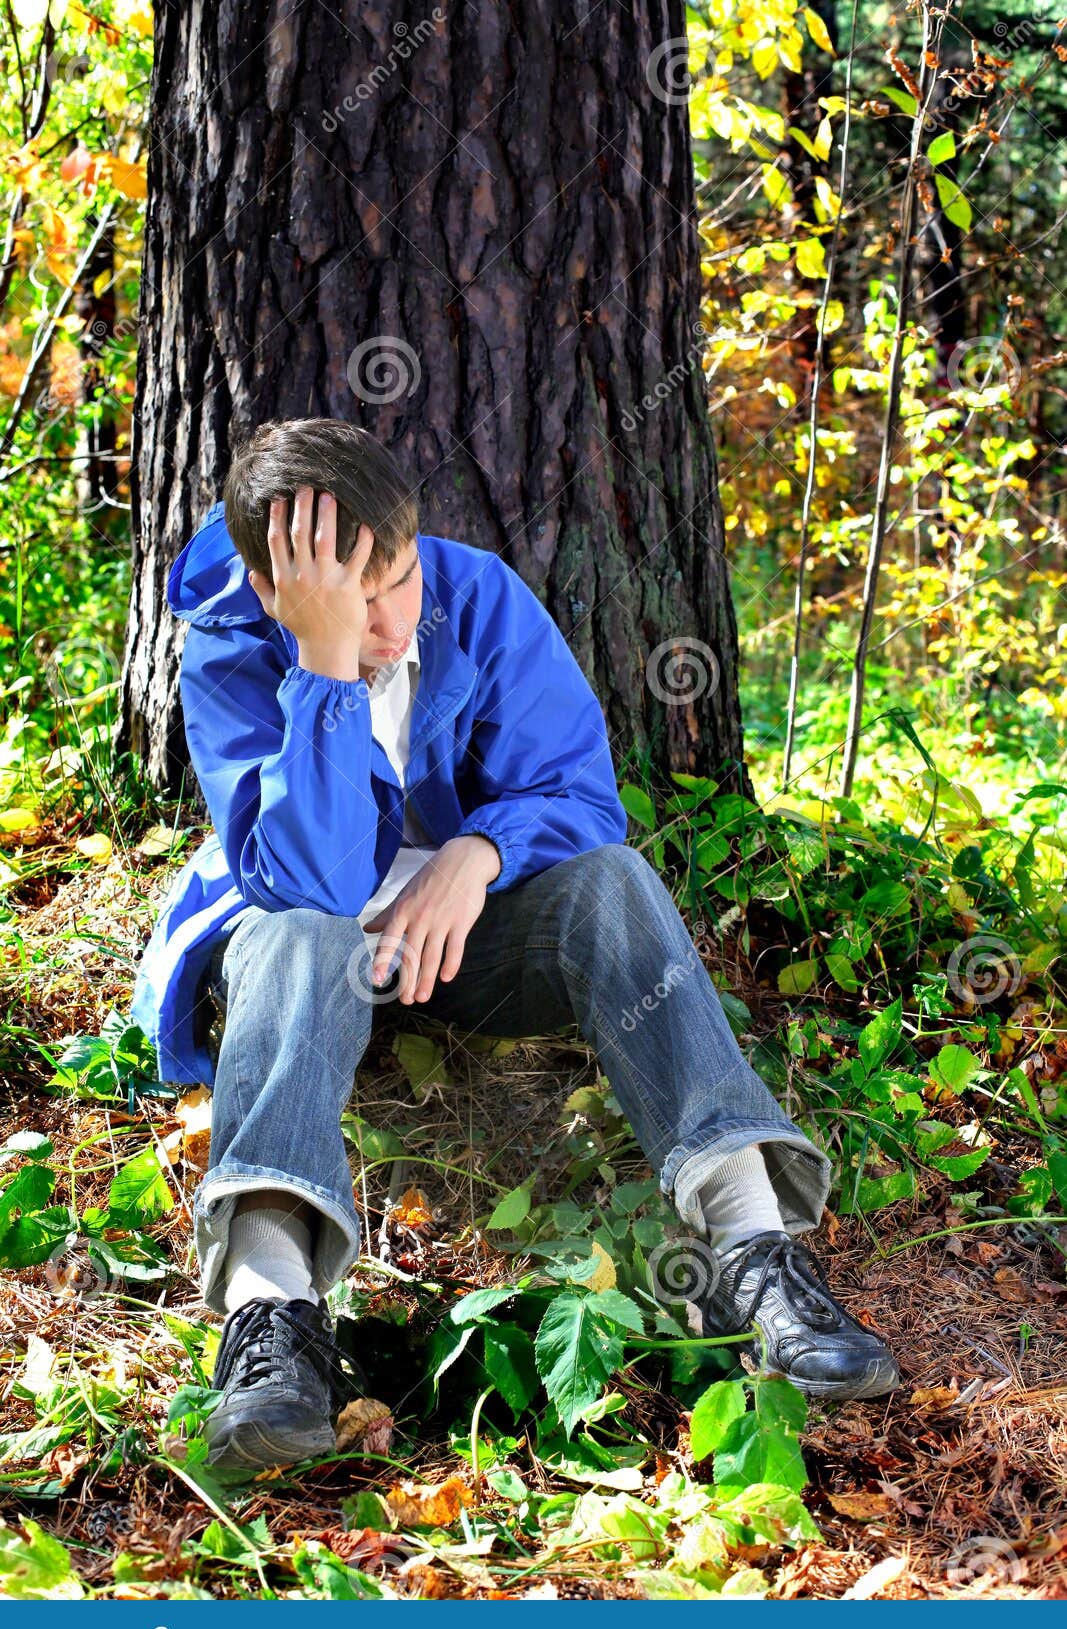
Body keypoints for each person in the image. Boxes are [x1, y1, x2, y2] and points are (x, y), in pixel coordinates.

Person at [130, 418, 898, 1472]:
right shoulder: (232, 647)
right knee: (301, 934)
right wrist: (320, 668)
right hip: (308, 957)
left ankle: (756, 1252)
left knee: (612, 885)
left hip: (468, 948)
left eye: (396, 580)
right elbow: (307, 879)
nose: (393, 627)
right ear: (279, 595)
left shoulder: (476, 597)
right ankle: (272, 1321)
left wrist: (478, 852)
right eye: (353, 603)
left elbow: (582, 796)